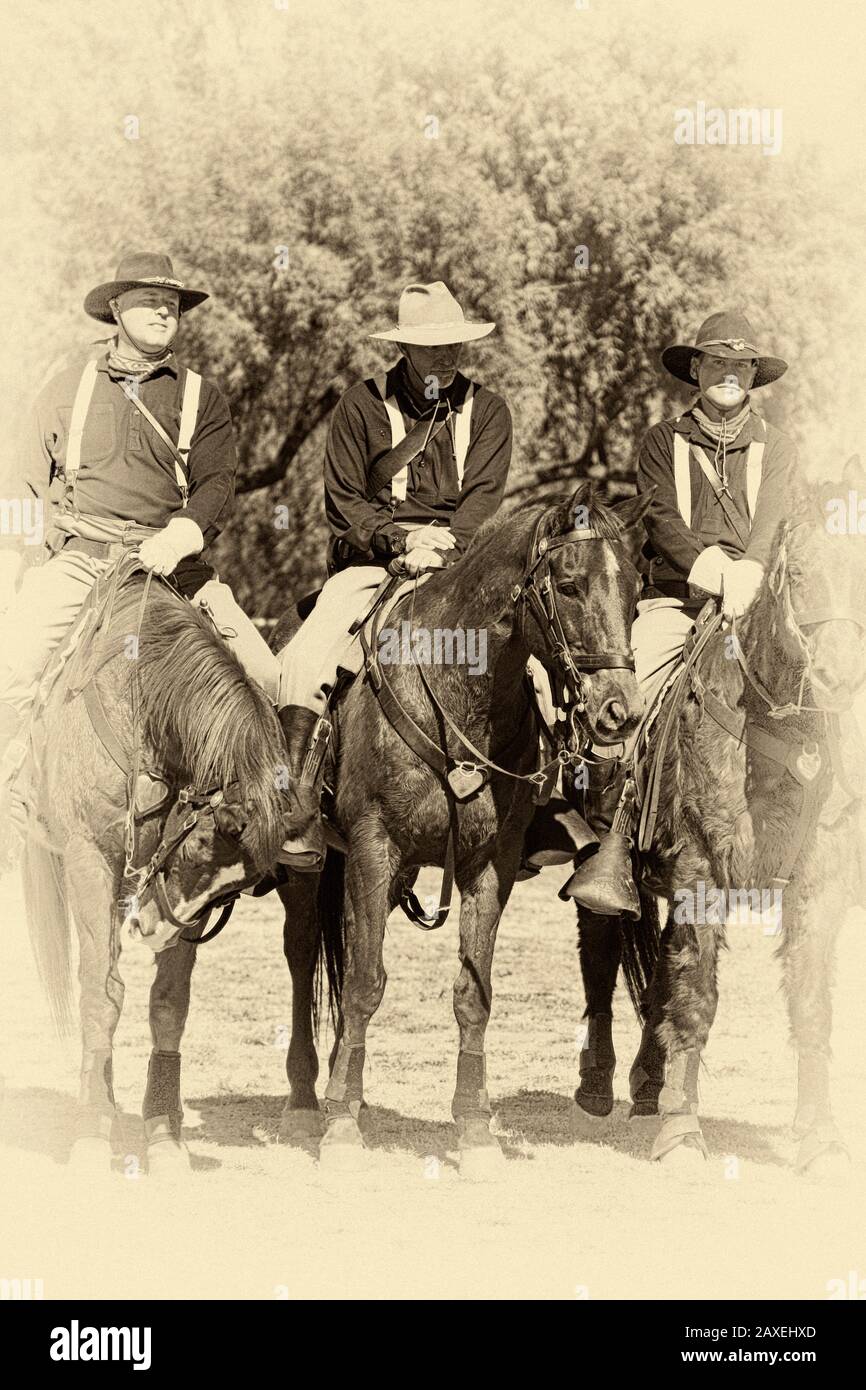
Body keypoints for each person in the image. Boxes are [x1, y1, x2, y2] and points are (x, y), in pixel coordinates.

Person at [0, 250, 280, 833]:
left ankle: (264, 821)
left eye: (172, 303)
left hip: (171, 567)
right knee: (10, 667)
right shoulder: (63, 389)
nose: (163, 310)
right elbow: (22, 485)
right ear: (115, 309)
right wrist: (13, 566)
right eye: (149, 300)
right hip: (81, 562)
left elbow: (217, 485)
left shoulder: (203, 397)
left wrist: (177, 538)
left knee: (265, 679)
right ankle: (14, 801)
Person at [275, 281, 513, 869]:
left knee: (538, 664)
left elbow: (483, 497)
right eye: (432, 346)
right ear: (404, 348)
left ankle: (543, 811)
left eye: (454, 344)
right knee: (302, 663)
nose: (446, 355)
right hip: (372, 563)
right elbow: (344, 503)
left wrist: (447, 544)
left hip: (457, 564)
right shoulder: (358, 405)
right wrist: (400, 540)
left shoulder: (488, 410)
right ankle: (296, 810)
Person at [566, 310, 795, 914]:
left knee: (821, 690)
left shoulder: (777, 446)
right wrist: (711, 570)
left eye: (740, 365)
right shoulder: (662, 441)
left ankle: (803, 844)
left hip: (758, 601)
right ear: (696, 369)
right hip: (679, 595)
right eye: (716, 362)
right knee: (627, 695)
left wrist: (750, 571)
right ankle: (610, 846)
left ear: (753, 375)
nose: (728, 374)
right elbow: (660, 518)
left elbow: (773, 517)